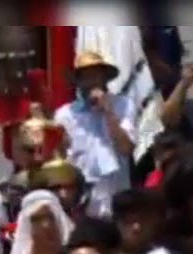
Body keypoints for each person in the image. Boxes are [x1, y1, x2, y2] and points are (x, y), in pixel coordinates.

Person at [54, 51, 137, 218]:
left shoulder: (123, 105)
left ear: (105, 78)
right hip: (84, 203)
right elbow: (61, 160)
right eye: (86, 77)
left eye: (96, 76)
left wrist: (108, 112)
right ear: (78, 81)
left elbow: (126, 148)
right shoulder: (65, 115)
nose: (91, 82)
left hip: (116, 197)